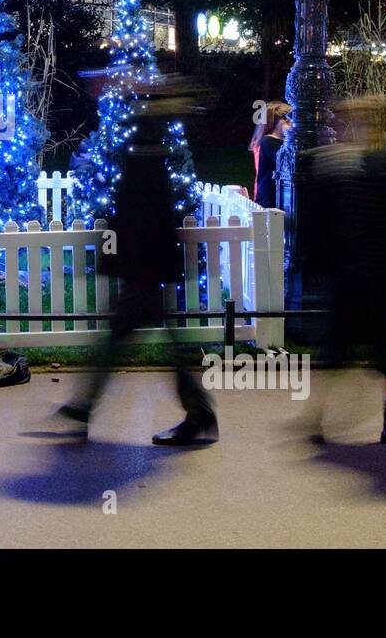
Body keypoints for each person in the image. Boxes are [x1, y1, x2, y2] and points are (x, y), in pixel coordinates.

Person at [58, 79, 218, 445]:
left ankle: (85, 407)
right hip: (148, 263)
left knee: (121, 337)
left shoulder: (147, 150)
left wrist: (120, 257)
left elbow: (142, 212)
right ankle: (197, 412)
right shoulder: (149, 148)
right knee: (147, 339)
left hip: (145, 266)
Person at [297, 96, 386, 444]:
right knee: (343, 350)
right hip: (355, 276)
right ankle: (321, 416)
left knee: (378, 351)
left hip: (376, 277)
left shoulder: (384, 169)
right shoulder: (347, 169)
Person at [250, 101, 291, 207]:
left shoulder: (280, 142)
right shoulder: (268, 141)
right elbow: (286, 162)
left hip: (279, 200)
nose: (292, 125)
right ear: (276, 123)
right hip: (269, 200)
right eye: (288, 121)